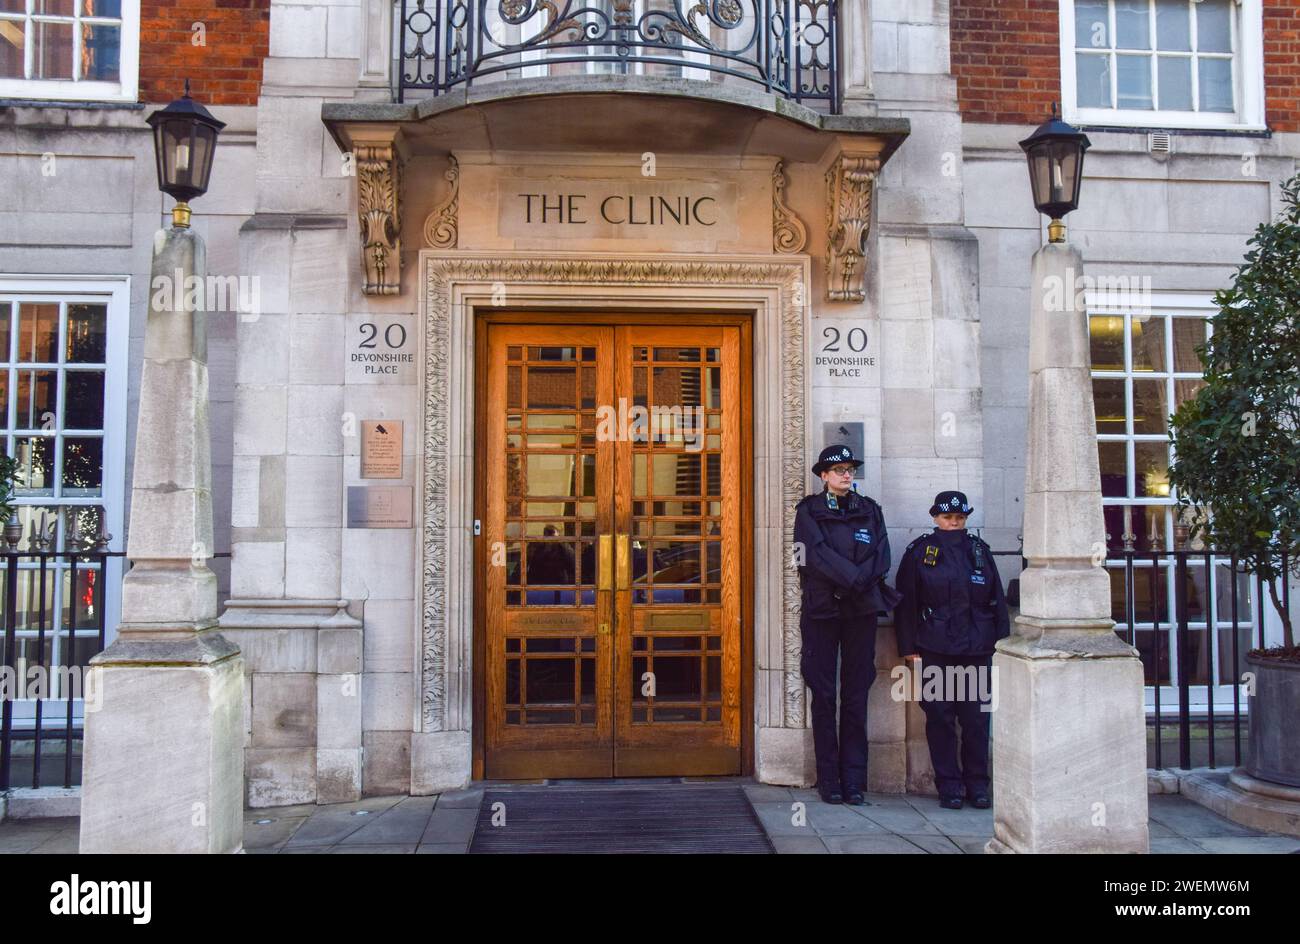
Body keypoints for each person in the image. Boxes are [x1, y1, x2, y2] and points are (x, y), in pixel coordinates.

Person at [794, 445, 902, 806]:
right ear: (823, 475)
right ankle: (830, 780)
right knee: (823, 695)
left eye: (850, 469)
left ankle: (853, 779)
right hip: (822, 611)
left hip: (860, 611)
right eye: (838, 469)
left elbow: (882, 554)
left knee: (856, 694)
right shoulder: (808, 511)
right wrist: (854, 578)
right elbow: (814, 555)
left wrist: (857, 582)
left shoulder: (869, 509)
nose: (845, 474)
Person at [893, 491, 1010, 810]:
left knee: (975, 721)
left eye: (959, 518)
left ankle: (977, 784)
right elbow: (906, 603)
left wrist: (1001, 640)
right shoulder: (920, 552)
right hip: (935, 647)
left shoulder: (979, 551)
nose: (954, 523)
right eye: (948, 518)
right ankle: (949, 785)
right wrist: (908, 647)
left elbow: (996, 597)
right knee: (940, 717)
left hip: (976, 648)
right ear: (935, 518)